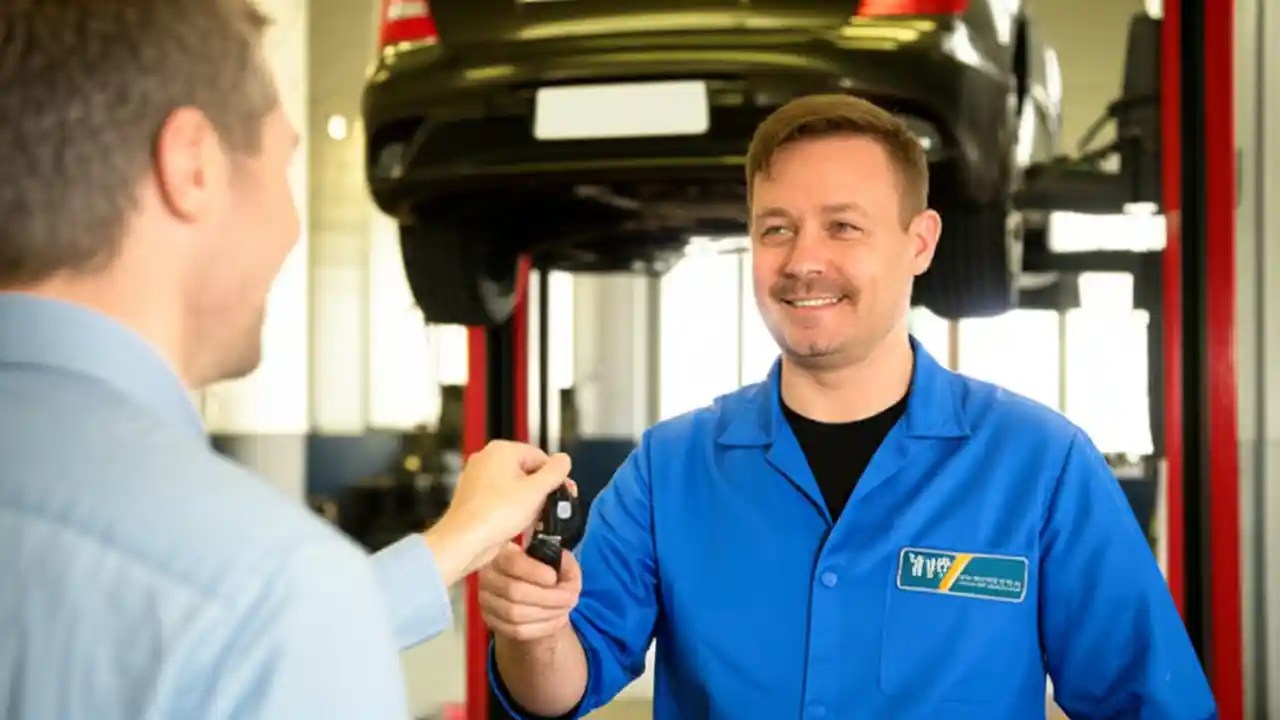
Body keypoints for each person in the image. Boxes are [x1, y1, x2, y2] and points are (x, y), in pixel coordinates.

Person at [479, 94, 1218, 718]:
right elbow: (559, 689)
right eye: (777, 228)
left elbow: (1149, 698)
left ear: (919, 242)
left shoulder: (1040, 465)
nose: (803, 260)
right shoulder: (669, 471)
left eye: (843, 225)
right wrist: (531, 629)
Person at [0, 1, 570, 718]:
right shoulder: (270, 588)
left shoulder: (262, 594)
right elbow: (248, 623)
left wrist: (451, 545)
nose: (291, 226)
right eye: (282, 166)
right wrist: (313, 600)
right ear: (193, 168)